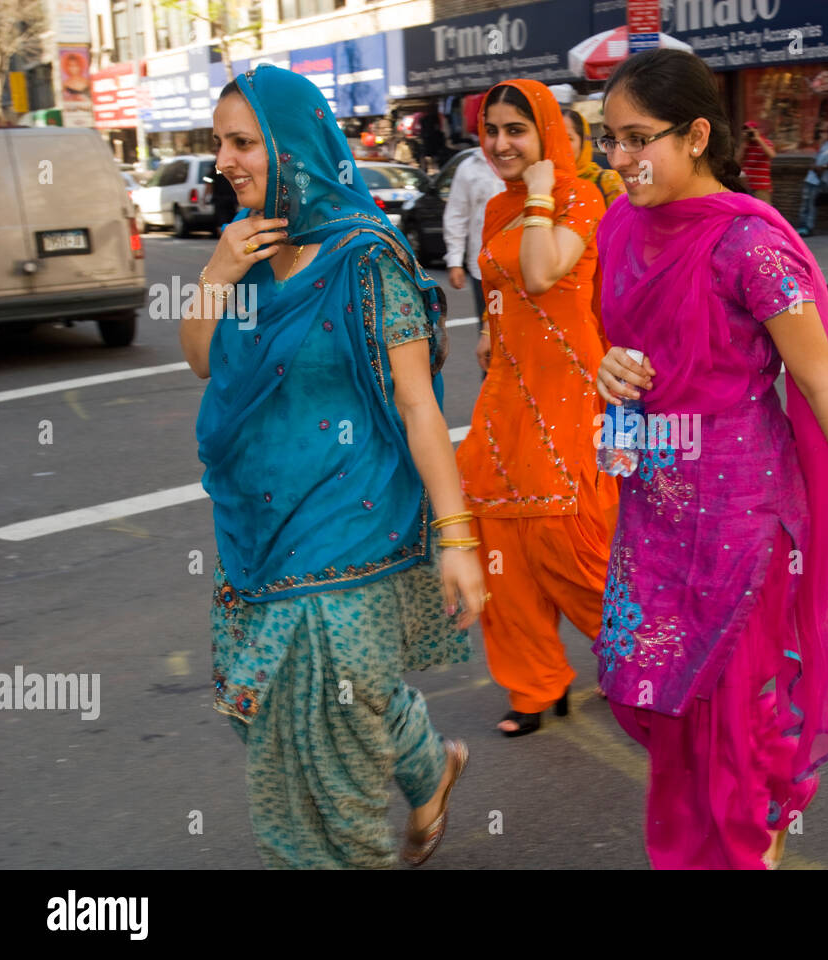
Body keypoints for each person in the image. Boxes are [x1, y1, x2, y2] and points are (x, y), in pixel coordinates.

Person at [593, 48, 828, 871]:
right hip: (653, 503)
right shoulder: (619, 225)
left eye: (639, 139)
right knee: (668, 712)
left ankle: (748, 848)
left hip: (741, 517)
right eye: (609, 141)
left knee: (733, 712)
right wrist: (607, 370)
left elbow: (823, 389)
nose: (622, 160)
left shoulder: (749, 246)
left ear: (697, 134)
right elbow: (628, 348)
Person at [185, 65, 483, 869]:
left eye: (243, 142)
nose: (226, 159)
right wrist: (214, 275)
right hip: (257, 529)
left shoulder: (365, 258)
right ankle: (427, 765)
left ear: (293, 146)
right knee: (282, 712)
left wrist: (457, 537)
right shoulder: (247, 250)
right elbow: (200, 362)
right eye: (220, 143)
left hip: (348, 529)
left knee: (331, 756)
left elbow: (420, 408)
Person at [456, 80, 617, 738]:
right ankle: (534, 683)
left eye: (515, 130)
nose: (499, 143)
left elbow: (544, 274)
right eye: (491, 130)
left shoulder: (580, 196)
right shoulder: (496, 209)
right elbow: (501, 284)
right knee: (500, 539)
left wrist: (547, 192)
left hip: (572, 389)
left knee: (572, 540)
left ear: (546, 132)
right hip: (507, 394)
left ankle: (640, 655)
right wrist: (491, 332)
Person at [443, 144, 505, 377]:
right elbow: (457, 214)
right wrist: (455, 261)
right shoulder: (469, 168)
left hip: (526, 269)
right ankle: (492, 402)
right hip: (484, 273)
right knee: (490, 340)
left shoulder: (529, 161)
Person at [564, 108, 627, 208]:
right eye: (555, 137)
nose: (560, 145)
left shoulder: (608, 182)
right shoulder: (540, 181)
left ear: (583, 143)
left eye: (568, 138)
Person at [797, 123, 828, 236]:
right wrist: (815, 165)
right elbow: (817, 157)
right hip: (811, 177)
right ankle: (801, 226)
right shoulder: (826, 143)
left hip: (824, 179)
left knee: (812, 204)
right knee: (804, 203)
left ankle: (808, 228)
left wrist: (824, 167)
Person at [739, 120, 777, 203]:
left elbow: (772, 155)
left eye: (751, 130)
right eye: (746, 130)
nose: (749, 133)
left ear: (757, 131)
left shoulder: (766, 143)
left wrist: (758, 139)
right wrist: (744, 145)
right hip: (747, 186)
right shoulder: (746, 145)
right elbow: (737, 161)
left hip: (761, 188)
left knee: (762, 213)